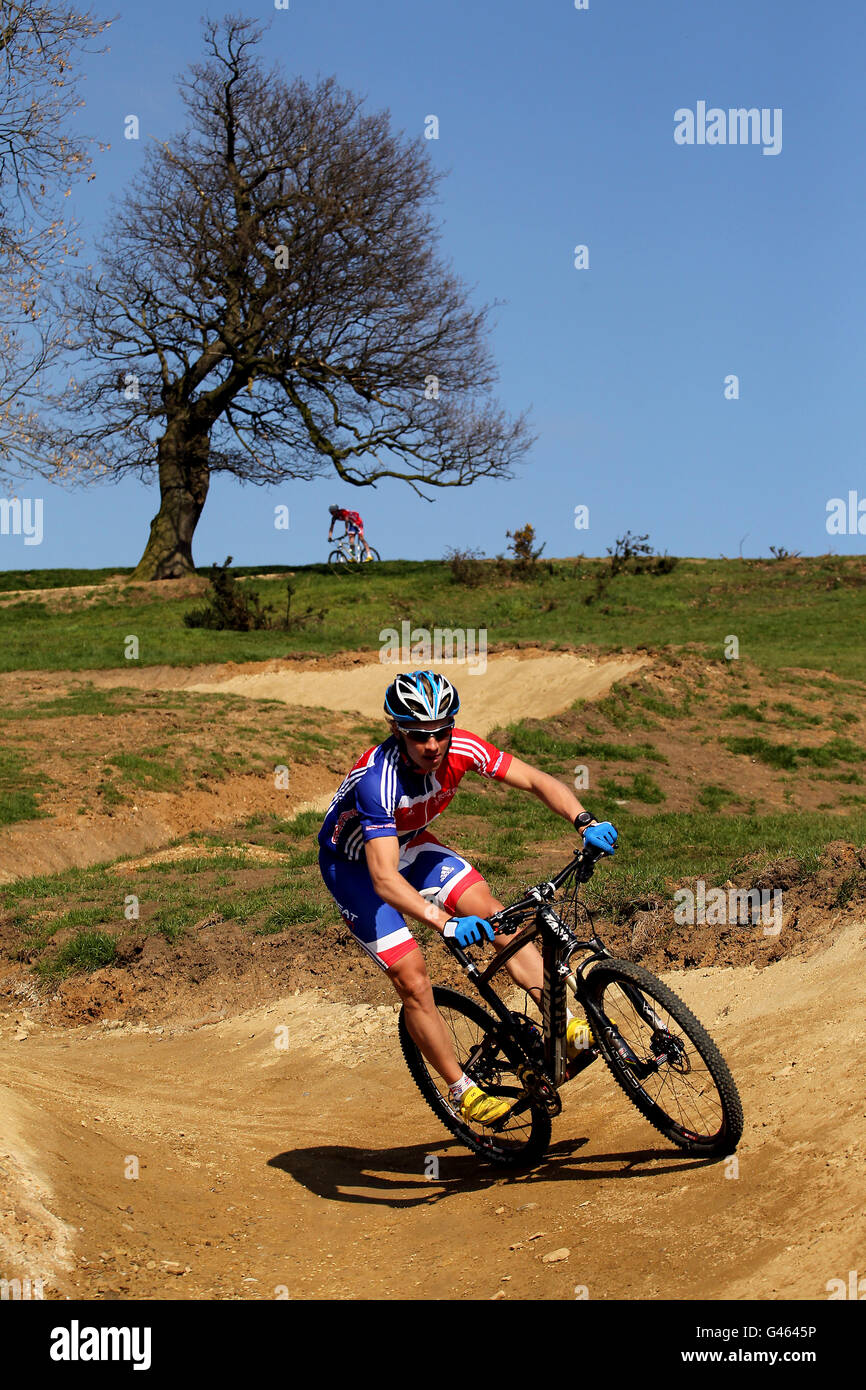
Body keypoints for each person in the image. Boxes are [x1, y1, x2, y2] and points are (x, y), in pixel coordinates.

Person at [317, 670, 618, 1127]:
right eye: (419, 736)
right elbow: (383, 878)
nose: (433, 745)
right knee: (412, 977)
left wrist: (583, 819)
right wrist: (445, 922)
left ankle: (563, 1025)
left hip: (411, 843)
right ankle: (462, 1090)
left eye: (441, 731)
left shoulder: (463, 748)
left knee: (499, 921)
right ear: (397, 729)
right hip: (357, 869)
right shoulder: (376, 780)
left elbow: (535, 781)